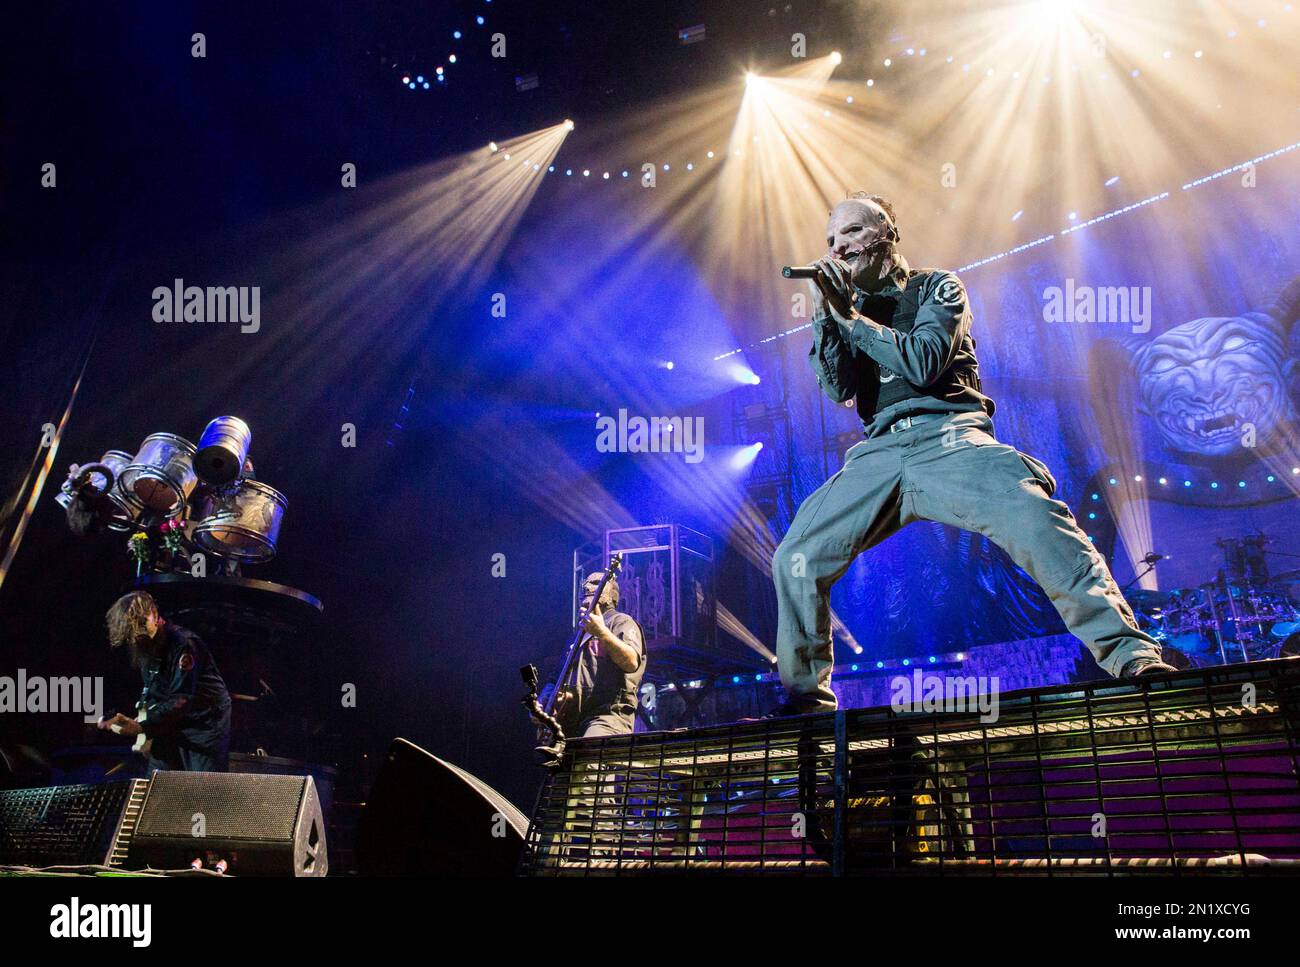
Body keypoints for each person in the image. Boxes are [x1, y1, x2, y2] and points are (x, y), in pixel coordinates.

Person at [770, 191, 1171, 715]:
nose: (835, 246)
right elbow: (837, 386)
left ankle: (1131, 656)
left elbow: (923, 362)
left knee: (1036, 519)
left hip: (951, 435)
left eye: (849, 233)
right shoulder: (847, 311)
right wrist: (827, 316)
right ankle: (807, 698)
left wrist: (850, 319)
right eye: (829, 239)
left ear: (886, 236)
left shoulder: (937, 287)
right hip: (881, 450)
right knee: (795, 556)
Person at [100, 590, 232, 771]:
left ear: (154, 614)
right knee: (159, 783)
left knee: (202, 789)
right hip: (171, 722)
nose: (136, 635)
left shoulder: (183, 643)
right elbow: (155, 691)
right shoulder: (143, 646)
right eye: (131, 631)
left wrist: (141, 726)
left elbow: (181, 698)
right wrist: (141, 724)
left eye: (141, 624)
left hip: (204, 723)